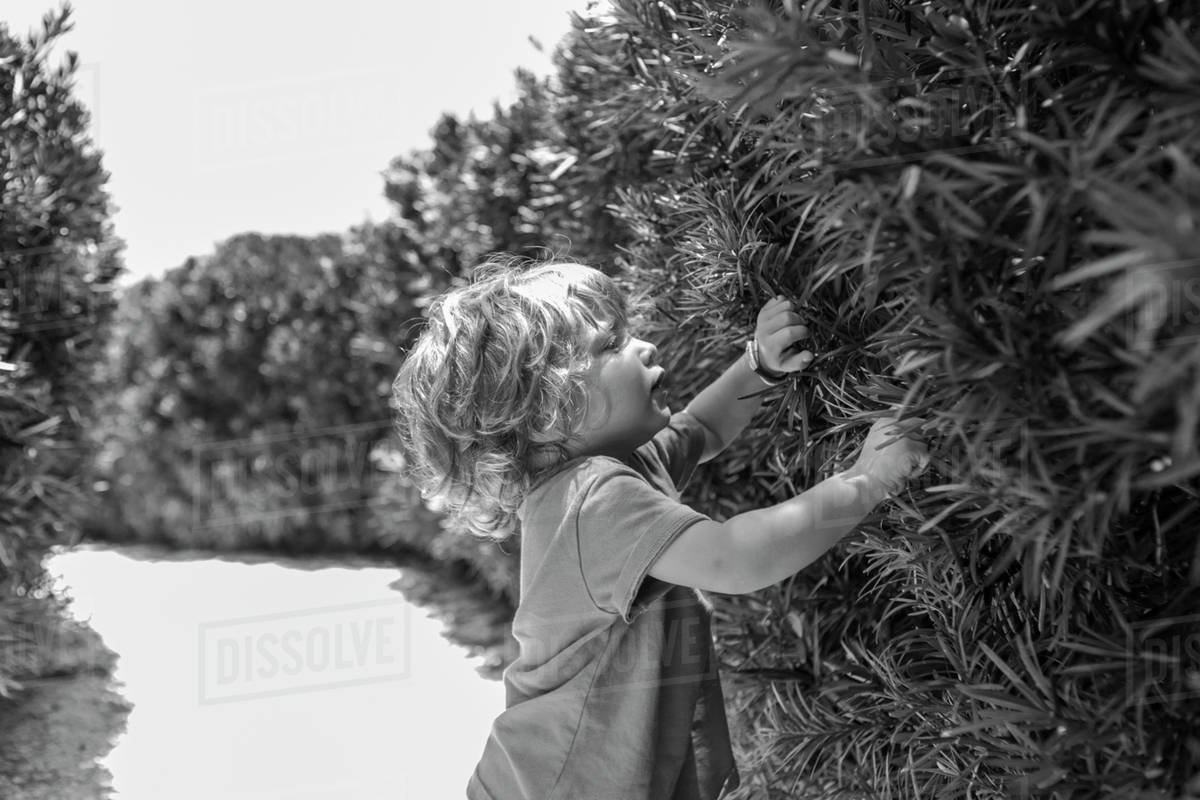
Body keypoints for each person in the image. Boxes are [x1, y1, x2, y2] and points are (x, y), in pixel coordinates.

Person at [391, 258, 929, 800]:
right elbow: (736, 559)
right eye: (612, 344)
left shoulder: (617, 466)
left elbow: (701, 428)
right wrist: (865, 481)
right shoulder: (589, 500)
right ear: (553, 410)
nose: (644, 346)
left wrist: (759, 365)